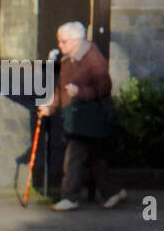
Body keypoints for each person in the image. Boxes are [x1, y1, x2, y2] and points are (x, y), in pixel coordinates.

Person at [38, 22, 125, 212]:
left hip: (91, 116)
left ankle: (69, 197)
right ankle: (113, 192)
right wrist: (51, 107)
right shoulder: (68, 58)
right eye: (59, 42)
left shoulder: (93, 58)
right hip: (79, 116)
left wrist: (81, 91)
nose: (60, 46)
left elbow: (104, 87)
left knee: (74, 157)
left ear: (76, 41)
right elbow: (62, 88)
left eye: (64, 42)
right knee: (94, 158)